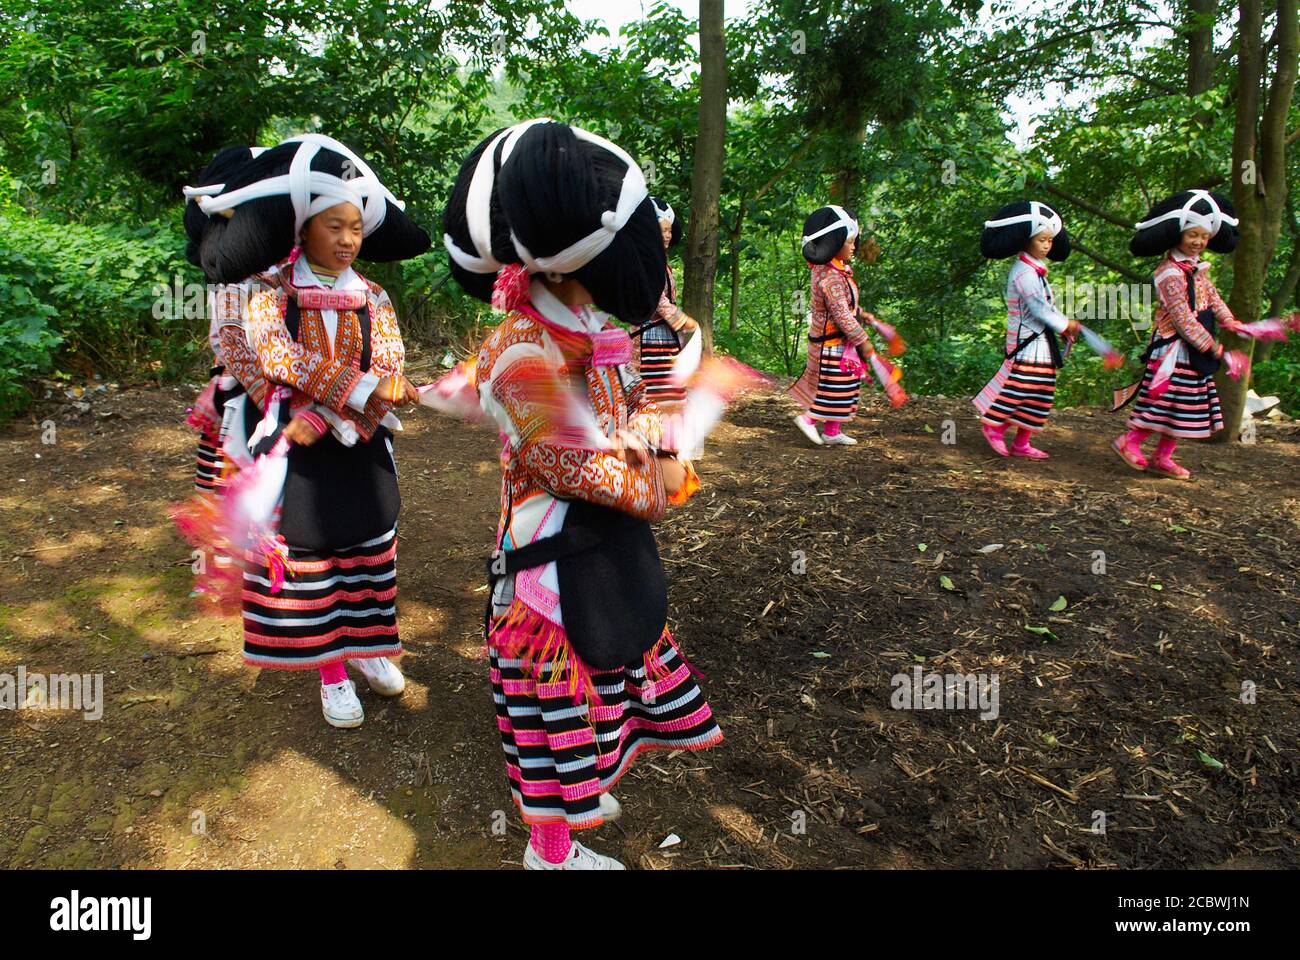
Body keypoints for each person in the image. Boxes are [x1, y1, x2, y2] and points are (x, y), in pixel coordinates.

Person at [443, 120, 722, 869]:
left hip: (597, 554)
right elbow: (597, 473)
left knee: (597, 698)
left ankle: (570, 811)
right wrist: (660, 457)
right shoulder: (518, 353)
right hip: (546, 575)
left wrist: (651, 441)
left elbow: (636, 422)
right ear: (574, 263)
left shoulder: (599, 332)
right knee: (553, 718)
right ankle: (551, 856)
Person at [189, 134, 429, 727]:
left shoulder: (375, 296)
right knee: (314, 553)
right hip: (295, 446)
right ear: (301, 231)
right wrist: (354, 395)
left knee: (371, 547)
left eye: (356, 228)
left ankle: (372, 649)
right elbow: (278, 360)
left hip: (359, 442)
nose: (348, 240)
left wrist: (333, 410)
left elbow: (390, 364)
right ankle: (331, 670)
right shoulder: (271, 296)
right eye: (333, 227)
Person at [1113, 190, 1242, 478]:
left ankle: (1163, 456)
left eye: (1204, 236)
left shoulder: (1197, 269)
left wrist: (1229, 320)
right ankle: (1128, 442)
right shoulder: (1169, 273)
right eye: (1192, 235)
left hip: (1193, 350)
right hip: (1173, 348)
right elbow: (1182, 318)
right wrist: (1212, 346)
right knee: (1162, 399)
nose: (1198, 242)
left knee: (1183, 405)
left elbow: (1212, 296)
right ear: (1177, 234)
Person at [972, 200, 1081, 459]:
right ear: (1026, 240)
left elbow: (1046, 307)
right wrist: (1066, 324)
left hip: (1040, 342)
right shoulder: (1024, 273)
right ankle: (993, 425)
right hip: (1026, 342)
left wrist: (1063, 327)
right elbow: (1039, 308)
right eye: (1041, 239)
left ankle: (1022, 442)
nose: (1046, 245)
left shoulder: (1037, 271)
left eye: (1050, 241)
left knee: (1042, 389)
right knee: (1022, 385)